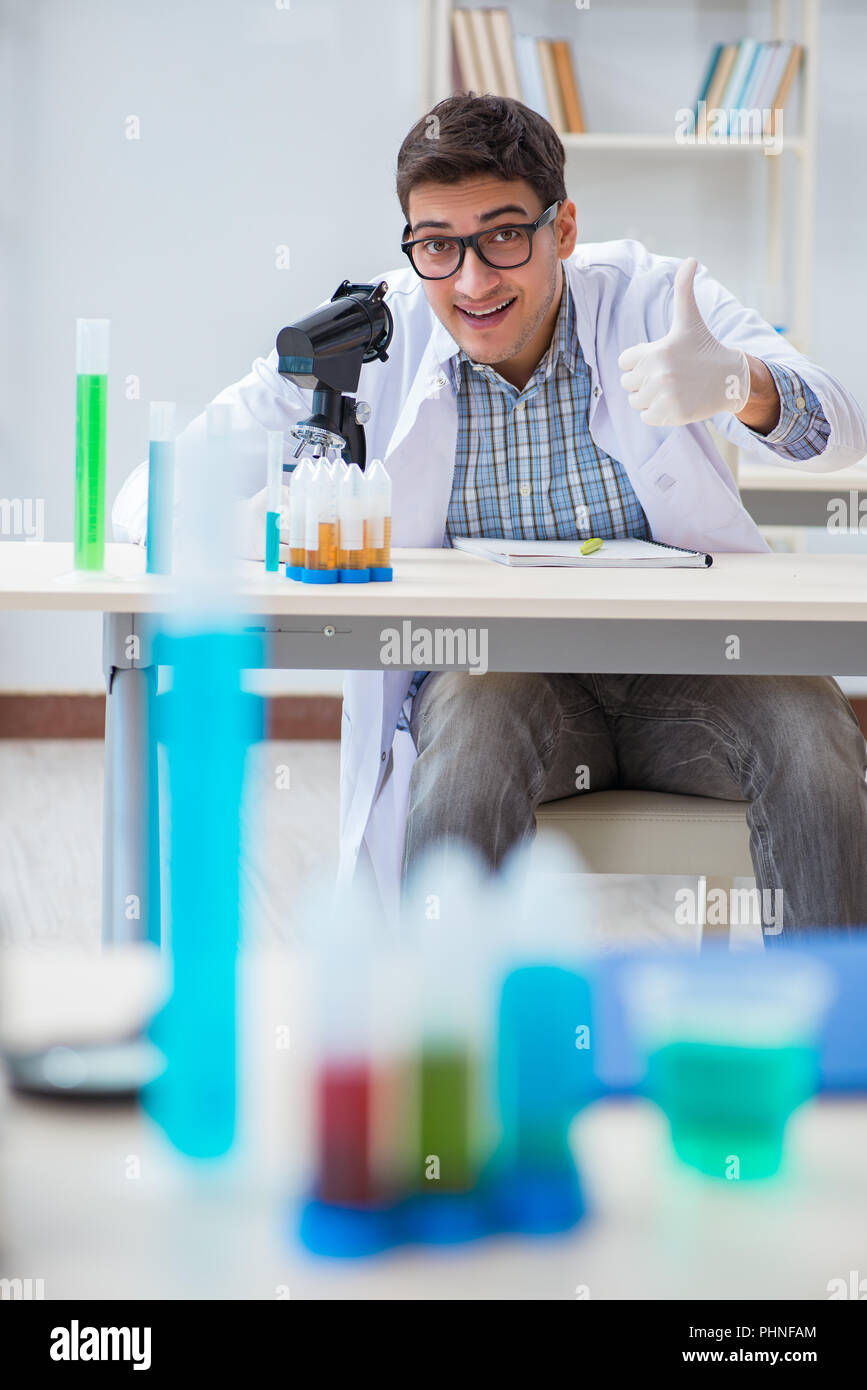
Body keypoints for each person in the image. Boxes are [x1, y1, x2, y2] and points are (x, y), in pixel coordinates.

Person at [112, 94, 867, 941]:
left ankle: (833, 1052)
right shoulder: (369, 335)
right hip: (497, 677)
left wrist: (739, 383)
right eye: (437, 245)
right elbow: (146, 499)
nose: (471, 282)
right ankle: (451, 1054)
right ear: (411, 243)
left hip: (693, 676)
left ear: (564, 229)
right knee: (471, 726)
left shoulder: (655, 300)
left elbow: (838, 433)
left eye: (504, 235)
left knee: (813, 736)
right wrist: (275, 520)